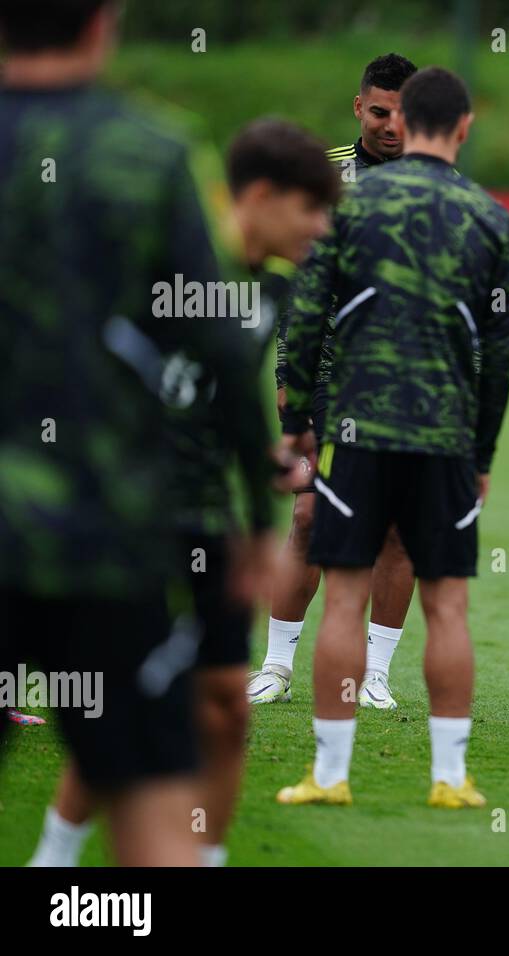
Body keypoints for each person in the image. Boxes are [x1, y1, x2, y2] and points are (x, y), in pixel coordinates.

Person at [0, 0, 271, 865]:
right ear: (103, 22)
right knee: (151, 800)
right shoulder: (151, 149)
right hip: (107, 535)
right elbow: (224, 346)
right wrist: (259, 518)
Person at [28, 119, 340, 867]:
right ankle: (56, 856)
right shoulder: (164, 268)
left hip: (211, 518)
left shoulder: (271, 289)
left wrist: (263, 467)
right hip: (134, 515)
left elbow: (222, 394)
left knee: (225, 705)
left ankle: (206, 859)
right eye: (310, 208)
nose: (321, 228)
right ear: (259, 196)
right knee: (127, 704)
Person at [276, 66, 509, 809]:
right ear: (465, 126)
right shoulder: (491, 218)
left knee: (343, 601)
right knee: (448, 606)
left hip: (357, 430)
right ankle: (449, 779)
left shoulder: (348, 202)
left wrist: (295, 425)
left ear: (404, 118)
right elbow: (499, 355)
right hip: (444, 438)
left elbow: (304, 319)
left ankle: (329, 775)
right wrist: (481, 454)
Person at [251, 52, 420, 711]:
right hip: (326, 378)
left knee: (397, 531)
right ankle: (276, 665)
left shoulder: (437, 187)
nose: (390, 125)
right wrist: (289, 389)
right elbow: (294, 293)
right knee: (308, 517)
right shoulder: (321, 180)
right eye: (379, 112)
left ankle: (375, 675)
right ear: (359, 107)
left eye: (403, 114)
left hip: (409, 388)